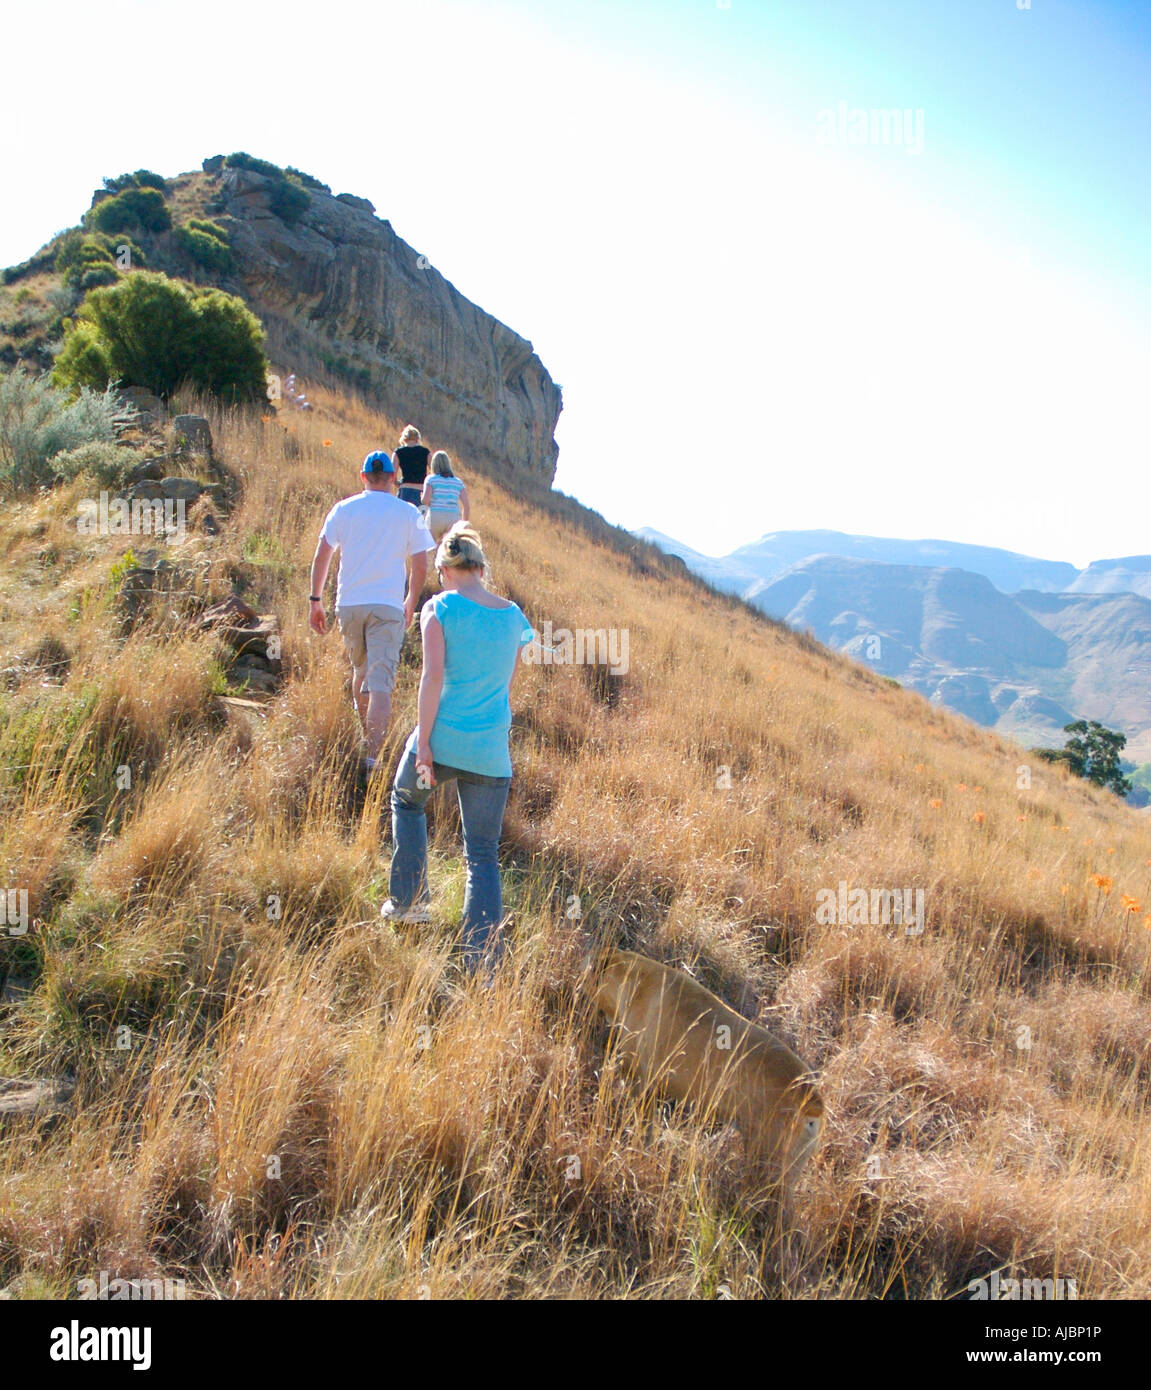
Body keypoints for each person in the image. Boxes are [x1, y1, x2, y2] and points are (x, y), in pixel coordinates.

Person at [382, 523, 533, 973]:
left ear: (446, 569)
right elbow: (505, 687)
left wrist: (424, 745)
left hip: (443, 740)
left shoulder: (439, 607)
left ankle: (409, 904)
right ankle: (482, 962)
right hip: (491, 752)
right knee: (482, 853)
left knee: (407, 802)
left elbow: (431, 679)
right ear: (481, 568)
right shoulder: (514, 618)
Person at [309, 450, 435, 775]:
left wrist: (315, 599)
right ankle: (374, 760)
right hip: (388, 607)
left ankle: (366, 736)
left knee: (360, 671)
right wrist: (411, 601)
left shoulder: (344, 509)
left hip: (349, 604)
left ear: (362, 476)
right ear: (393, 478)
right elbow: (421, 564)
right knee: (381, 683)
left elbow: (322, 555)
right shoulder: (407, 512)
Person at [420, 450, 470, 542]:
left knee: (431, 547)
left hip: (435, 517)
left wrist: (422, 496)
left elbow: (425, 501)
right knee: (448, 551)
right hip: (454, 518)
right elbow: (466, 506)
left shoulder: (431, 479)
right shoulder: (458, 482)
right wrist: (464, 525)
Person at [393, 424, 430, 508]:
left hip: (405, 490)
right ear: (417, 438)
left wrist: (398, 483)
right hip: (421, 491)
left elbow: (392, 475)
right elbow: (435, 470)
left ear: (404, 439)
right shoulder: (425, 452)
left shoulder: (398, 452)